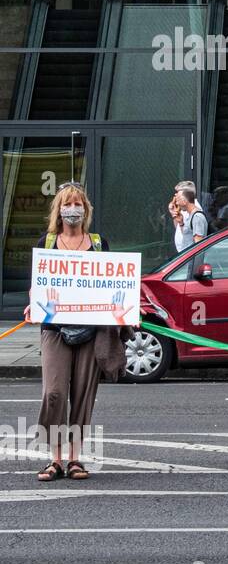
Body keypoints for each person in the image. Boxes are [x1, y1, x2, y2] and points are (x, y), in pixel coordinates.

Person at [27, 183, 128, 482]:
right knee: (55, 392)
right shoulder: (47, 243)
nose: (73, 209)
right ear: (59, 210)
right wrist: (31, 304)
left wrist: (124, 311)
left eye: (78, 203)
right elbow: (37, 284)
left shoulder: (99, 244)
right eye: (68, 204)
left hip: (90, 329)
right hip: (54, 329)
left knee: (83, 394)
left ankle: (74, 460)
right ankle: (54, 459)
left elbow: (112, 287)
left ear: (86, 209)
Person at [171, 182, 208, 252]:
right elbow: (187, 237)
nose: (177, 203)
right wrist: (181, 223)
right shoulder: (191, 215)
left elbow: (199, 246)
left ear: (184, 201)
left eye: (178, 199)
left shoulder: (197, 216)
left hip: (192, 262)